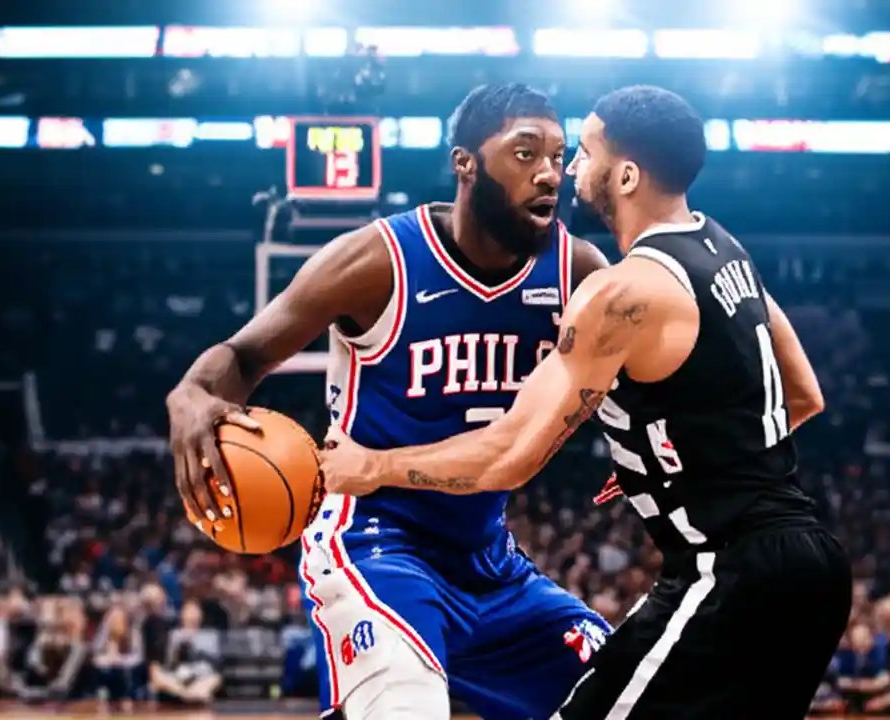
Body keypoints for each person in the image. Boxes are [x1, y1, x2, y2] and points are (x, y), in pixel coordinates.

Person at [321, 84, 853, 719]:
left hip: (728, 573)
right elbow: (802, 393)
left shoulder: (620, 290)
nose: (569, 168)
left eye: (585, 152)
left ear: (625, 175)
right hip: (814, 569)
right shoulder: (725, 250)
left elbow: (509, 456)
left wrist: (371, 466)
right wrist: (674, 455)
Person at [167, 83, 612, 720]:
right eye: (524, 154)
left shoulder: (579, 271)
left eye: (557, 156)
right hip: (374, 541)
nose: (548, 174)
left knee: (631, 696)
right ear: (466, 163)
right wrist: (189, 393)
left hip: (492, 561)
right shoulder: (377, 261)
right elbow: (245, 355)